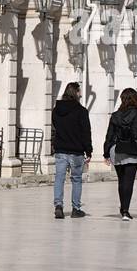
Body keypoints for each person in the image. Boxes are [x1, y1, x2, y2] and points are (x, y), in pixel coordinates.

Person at [103, 87, 137, 221]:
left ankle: (123, 208)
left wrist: (106, 152)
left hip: (117, 149)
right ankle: (125, 210)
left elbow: (109, 135)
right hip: (134, 150)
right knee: (129, 181)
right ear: (135, 99)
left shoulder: (115, 115)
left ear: (122, 99)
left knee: (121, 180)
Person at [51, 81, 92, 219]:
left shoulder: (56, 110)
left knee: (59, 178)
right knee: (76, 179)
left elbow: (55, 126)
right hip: (76, 151)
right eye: (79, 91)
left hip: (61, 149)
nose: (81, 94)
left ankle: (58, 205)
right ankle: (76, 209)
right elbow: (86, 132)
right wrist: (89, 150)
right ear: (76, 93)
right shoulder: (81, 111)